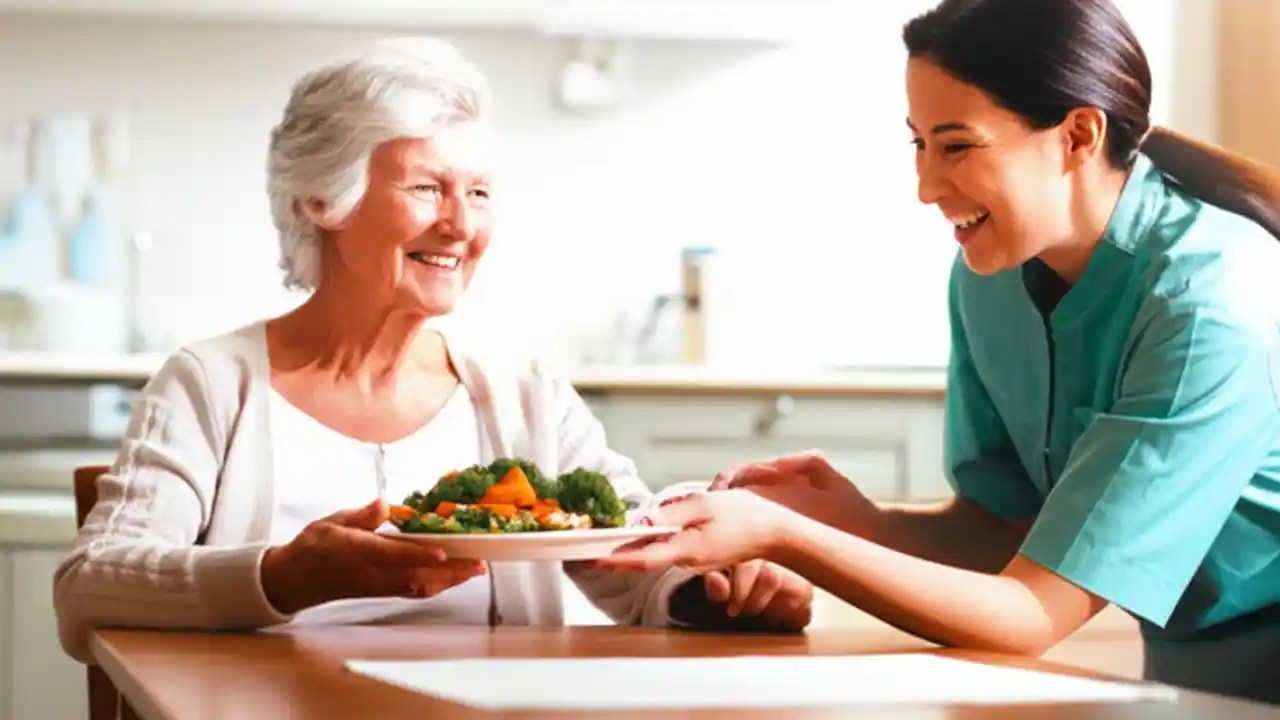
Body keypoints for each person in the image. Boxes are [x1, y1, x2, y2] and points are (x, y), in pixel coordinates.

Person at [52, 37, 812, 665]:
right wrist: (282, 576)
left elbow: (630, 555)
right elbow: (90, 583)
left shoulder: (522, 394)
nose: (460, 225)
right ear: (324, 199)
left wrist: (715, 588)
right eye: (427, 188)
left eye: (478, 193)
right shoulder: (212, 385)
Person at [604, 0, 1280, 704]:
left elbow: (1029, 613)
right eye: (918, 144)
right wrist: (863, 523)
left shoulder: (1208, 302)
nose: (926, 186)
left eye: (956, 145)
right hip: (1194, 682)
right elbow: (1004, 529)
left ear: (1079, 135)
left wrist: (783, 537)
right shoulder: (991, 277)